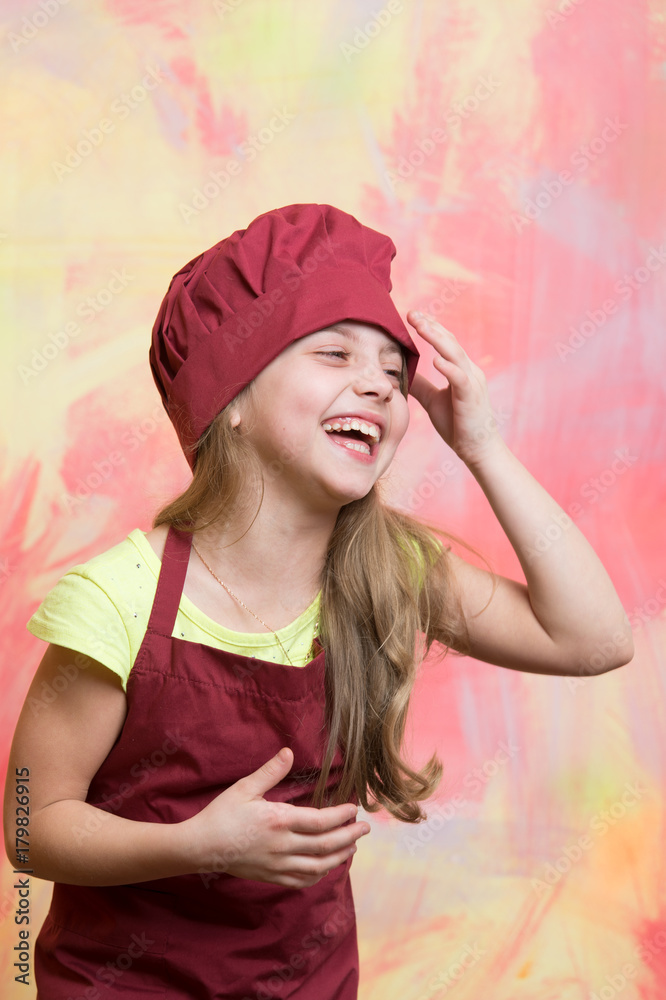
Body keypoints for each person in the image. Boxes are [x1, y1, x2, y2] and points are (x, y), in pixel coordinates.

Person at [4, 203, 633, 999]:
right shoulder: (117, 601)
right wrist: (197, 845)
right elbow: (30, 828)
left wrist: (483, 446)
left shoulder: (391, 571)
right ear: (227, 400)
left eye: (392, 374)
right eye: (333, 352)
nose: (375, 382)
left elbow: (595, 639)